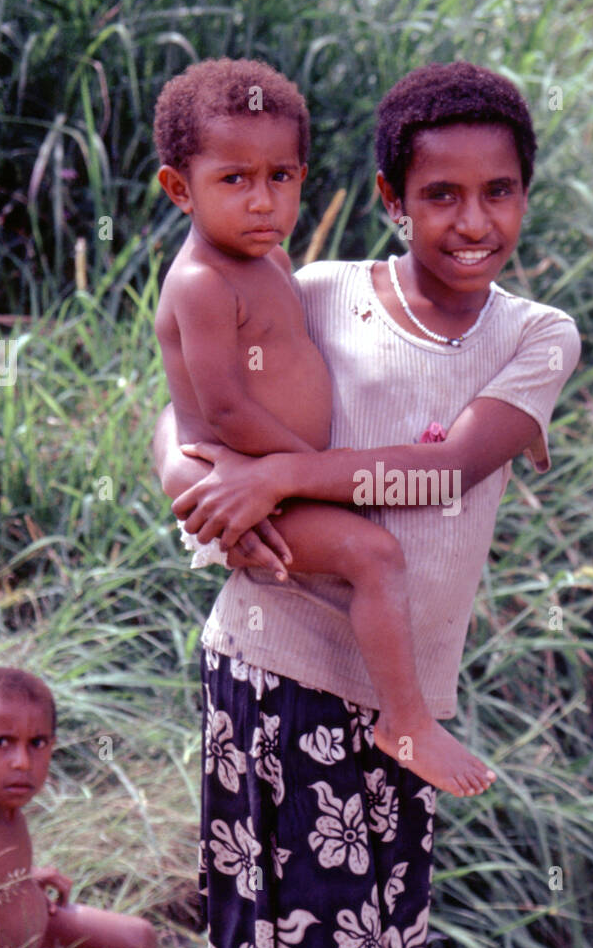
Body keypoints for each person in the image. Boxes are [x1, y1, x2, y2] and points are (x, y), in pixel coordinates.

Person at [154, 60, 581, 948]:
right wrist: (195, 483)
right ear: (392, 199)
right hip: (273, 664)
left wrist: (281, 475)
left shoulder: (534, 337)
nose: (472, 219)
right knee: (265, 947)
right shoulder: (313, 290)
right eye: (440, 194)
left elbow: (441, 474)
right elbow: (184, 405)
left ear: (527, 197)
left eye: (500, 193)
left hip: (398, 703)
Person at [153, 57, 493, 799]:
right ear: (179, 188)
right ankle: (404, 720)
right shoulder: (203, 282)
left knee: (371, 553)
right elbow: (223, 410)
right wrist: (315, 469)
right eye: (234, 180)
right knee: (373, 552)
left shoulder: (270, 261)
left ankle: (396, 712)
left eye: (281, 177)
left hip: (272, 482)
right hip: (248, 487)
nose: (262, 201)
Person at [0, 667, 163, 948]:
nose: (22, 762)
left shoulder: (5, 805)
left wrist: (23, 881)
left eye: (37, 743)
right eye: (1, 742)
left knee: (142, 937)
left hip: (35, 927)